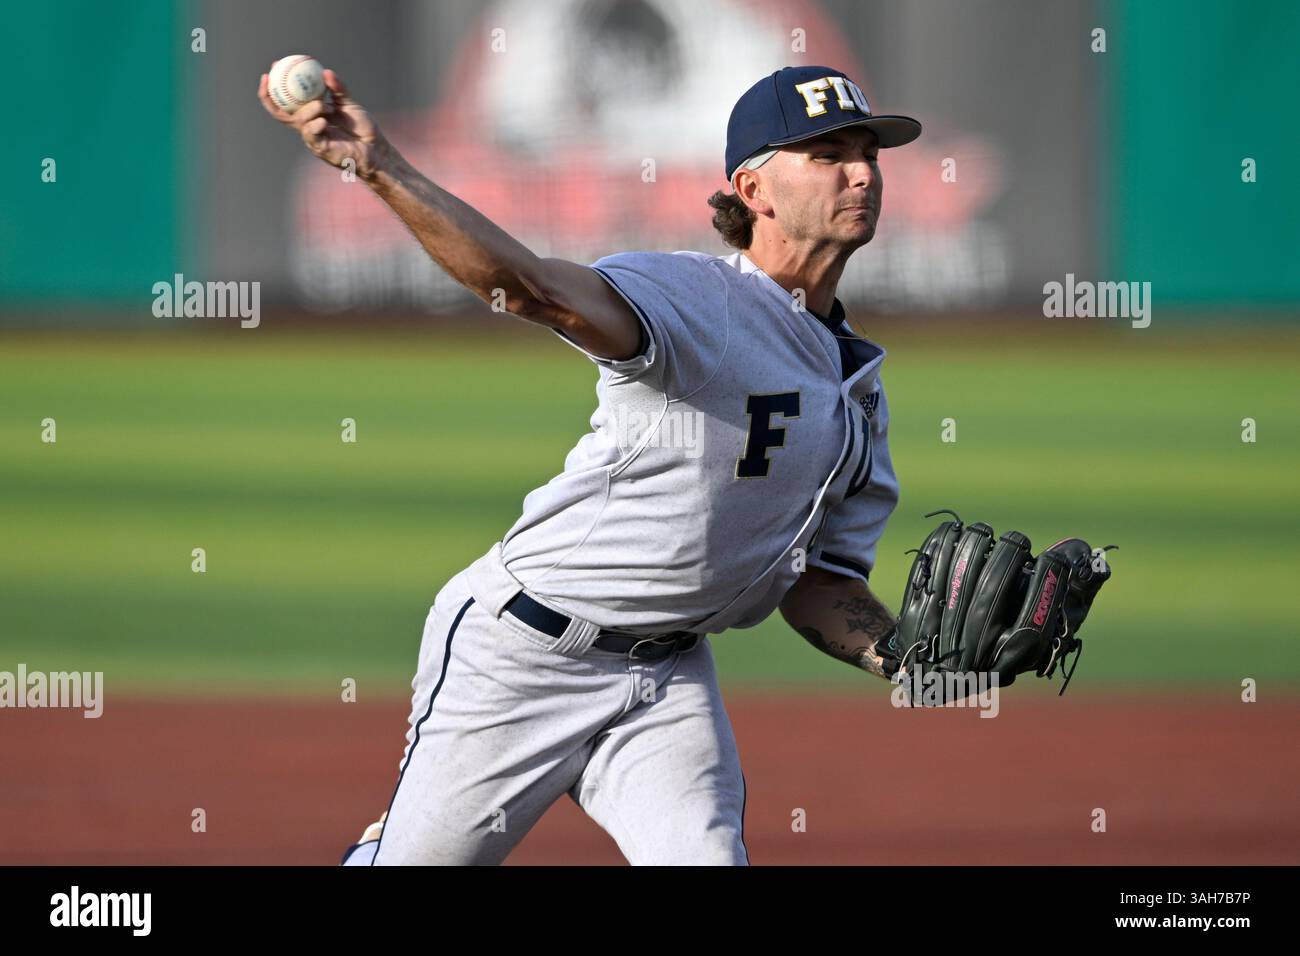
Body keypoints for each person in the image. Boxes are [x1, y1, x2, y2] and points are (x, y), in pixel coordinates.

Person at [258, 63, 921, 865]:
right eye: (828, 154)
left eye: (869, 153)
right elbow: (533, 289)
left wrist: (912, 657)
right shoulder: (694, 300)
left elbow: (821, 584)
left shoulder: (859, 390)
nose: (861, 172)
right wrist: (379, 165)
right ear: (754, 190)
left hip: (667, 680)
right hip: (522, 654)